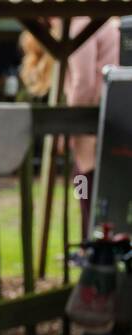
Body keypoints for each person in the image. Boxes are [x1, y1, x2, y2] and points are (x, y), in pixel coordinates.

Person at [20, 18, 120, 234]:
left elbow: (83, 83)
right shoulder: (103, 23)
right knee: (91, 183)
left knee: (84, 182)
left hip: (92, 123)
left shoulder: (79, 29)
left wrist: (69, 129)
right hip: (109, 117)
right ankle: (94, 235)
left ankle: (91, 237)